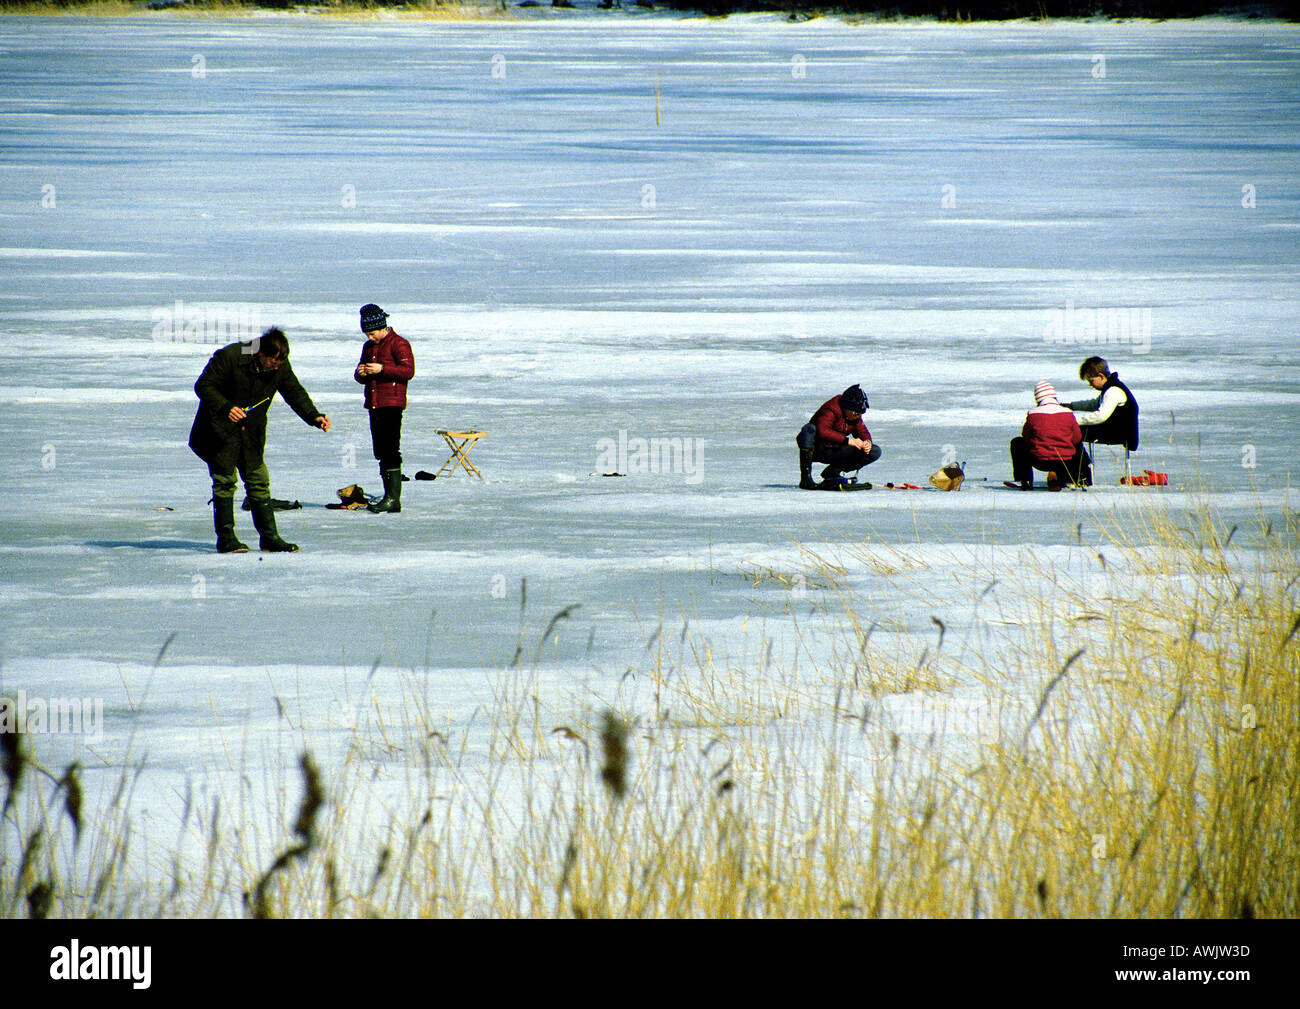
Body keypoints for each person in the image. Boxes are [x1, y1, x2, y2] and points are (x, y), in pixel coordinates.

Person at [189, 328, 331, 552]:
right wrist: (226, 407)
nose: (276, 367)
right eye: (272, 362)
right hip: (218, 431)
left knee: (259, 480)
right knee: (225, 481)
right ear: (260, 353)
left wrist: (314, 416)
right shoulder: (232, 356)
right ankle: (226, 539)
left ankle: (270, 538)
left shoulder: (279, 365)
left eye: (280, 363)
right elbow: (203, 385)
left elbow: (294, 392)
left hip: (251, 433)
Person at [353, 303, 414, 514]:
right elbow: (359, 376)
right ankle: (389, 494)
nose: (370, 337)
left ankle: (392, 498)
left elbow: (408, 371)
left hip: (392, 403)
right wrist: (361, 373)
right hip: (374, 402)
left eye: (372, 333)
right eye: (367, 333)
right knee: (380, 450)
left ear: (381, 327)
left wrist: (382, 369)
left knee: (390, 449)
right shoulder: (368, 347)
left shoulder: (399, 344)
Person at [1007, 381, 1091, 491]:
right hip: (1065, 461)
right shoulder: (1068, 413)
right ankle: (1081, 478)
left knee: (1017, 442)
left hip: (1040, 460)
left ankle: (1024, 479)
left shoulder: (1033, 414)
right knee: (1077, 444)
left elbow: (1026, 436)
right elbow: (1077, 437)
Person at [796, 384, 881, 489]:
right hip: (818, 449)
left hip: (837, 450)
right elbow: (823, 431)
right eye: (855, 413)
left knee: (874, 451)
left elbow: (862, 431)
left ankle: (832, 472)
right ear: (846, 408)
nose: (857, 416)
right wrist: (848, 441)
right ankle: (806, 478)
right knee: (808, 430)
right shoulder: (831, 408)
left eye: (860, 414)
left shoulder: (854, 417)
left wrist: (867, 442)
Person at [1065, 356, 1139, 453]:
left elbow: (1100, 416)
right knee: (1073, 430)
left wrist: (1073, 421)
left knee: (1070, 430)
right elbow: (1094, 404)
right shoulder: (1111, 387)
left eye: (1091, 381)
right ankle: (1080, 463)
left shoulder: (1113, 391)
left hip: (1118, 433)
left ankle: (1080, 464)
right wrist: (1071, 406)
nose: (1090, 385)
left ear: (1101, 376)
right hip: (1114, 429)